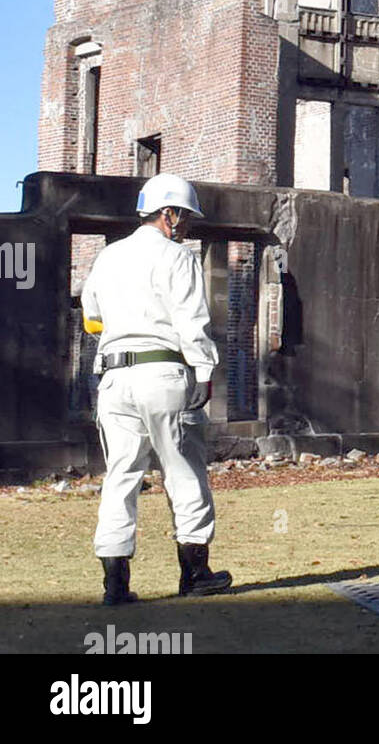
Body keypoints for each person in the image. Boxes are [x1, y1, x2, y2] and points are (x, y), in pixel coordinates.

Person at [82, 173, 233, 605]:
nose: (184, 225)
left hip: (114, 378)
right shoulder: (177, 257)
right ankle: (195, 573)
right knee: (183, 472)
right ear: (167, 214)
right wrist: (204, 369)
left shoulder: (108, 257)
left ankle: (115, 585)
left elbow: (92, 314)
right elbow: (191, 321)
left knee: (121, 477)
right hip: (163, 374)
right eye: (182, 216)